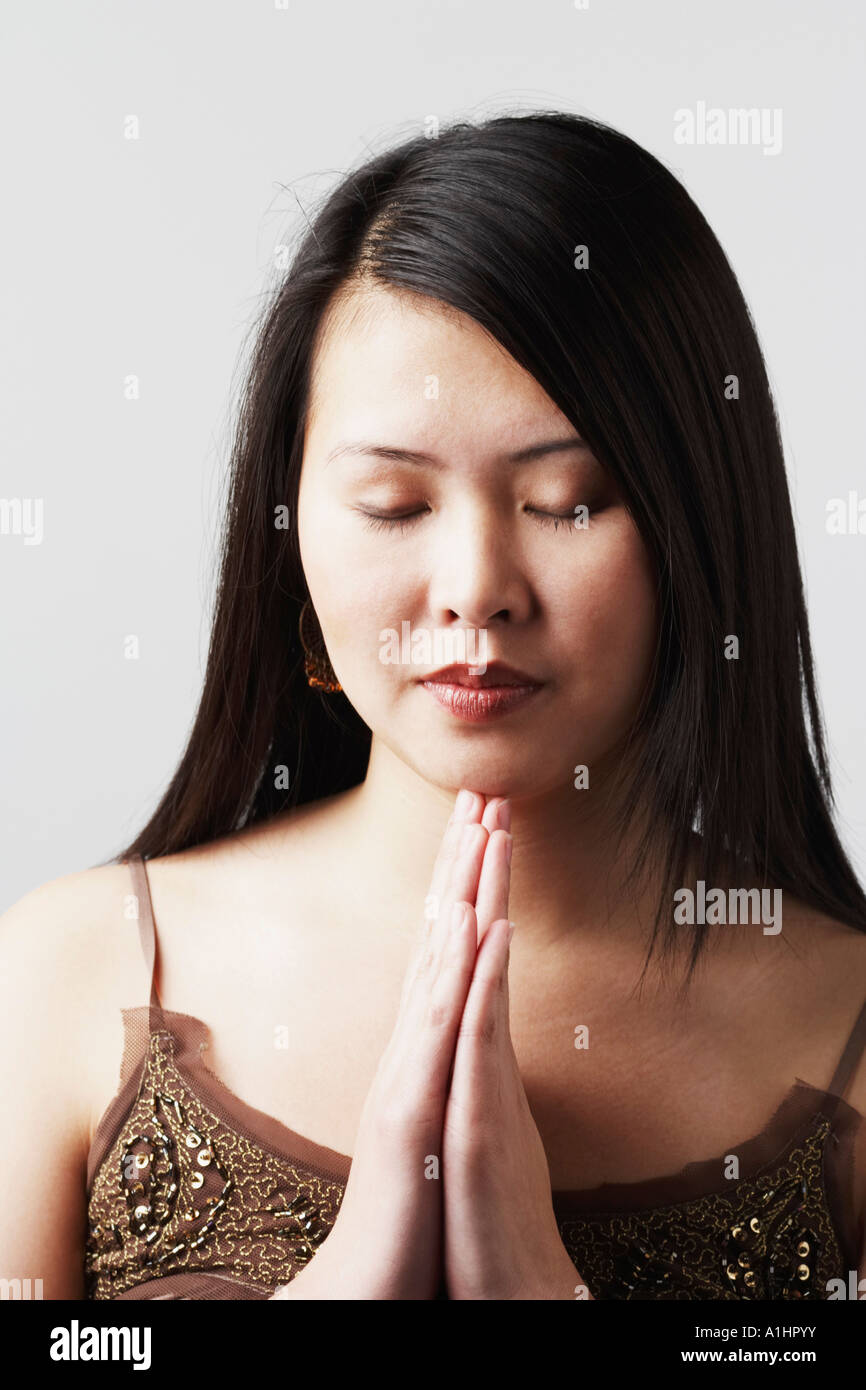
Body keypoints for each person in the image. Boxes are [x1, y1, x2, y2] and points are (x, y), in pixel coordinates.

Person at [2, 111, 865, 1301]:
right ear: (293, 526)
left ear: (700, 532)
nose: (474, 591)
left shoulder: (846, 1024)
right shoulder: (65, 975)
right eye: (395, 506)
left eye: (567, 501)